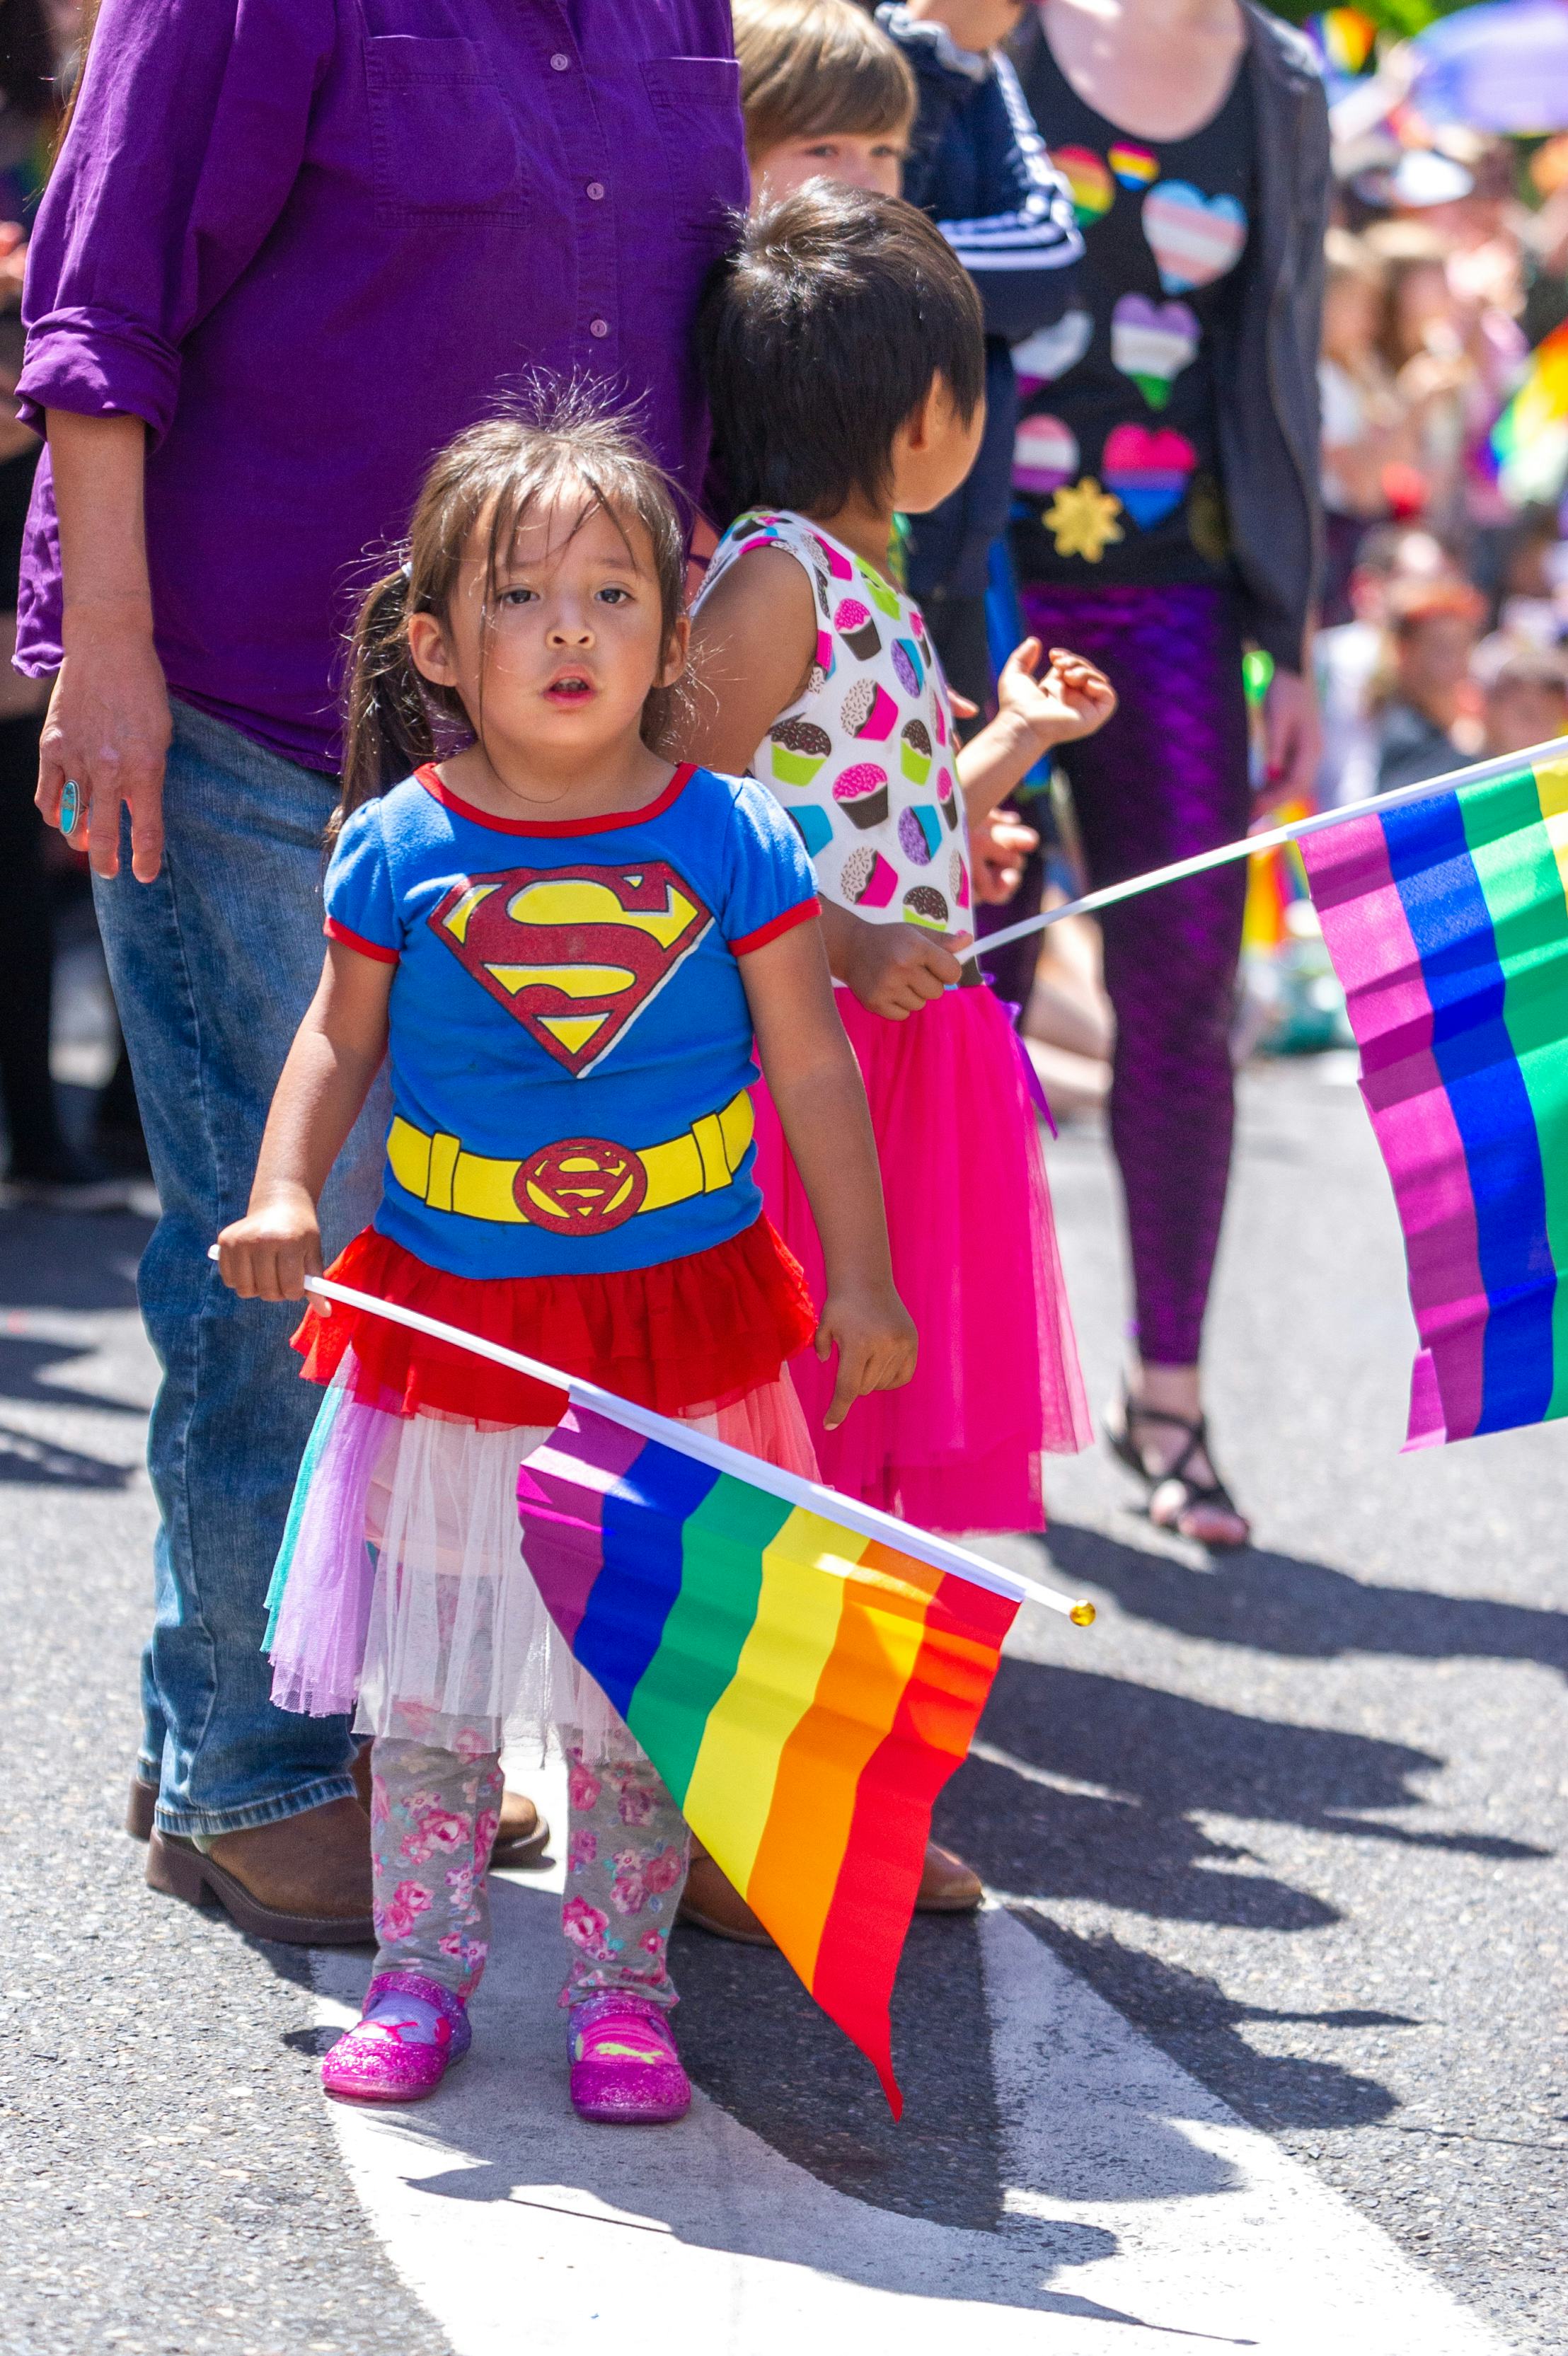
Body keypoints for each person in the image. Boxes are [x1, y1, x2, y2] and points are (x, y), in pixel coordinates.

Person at [15, 0, 747, 1944]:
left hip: (568, 771)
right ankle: (253, 1769)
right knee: (290, 1254)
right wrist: (106, 654)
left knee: (508, 1258)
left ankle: (292, 1736)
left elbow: (701, 352)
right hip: (255, 709)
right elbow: (97, 311)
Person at [217, 405, 916, 2119]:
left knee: (633, 1678)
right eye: (521, 596)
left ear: (675, 634)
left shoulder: (736, 836)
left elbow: (807, 1058)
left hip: (683, 1315)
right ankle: (421, 1966)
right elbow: (334, 1034)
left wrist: (868, 1275)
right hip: (455, 1315)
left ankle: (620, 1988)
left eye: (612, 592)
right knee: (439, 1676)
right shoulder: (397, 842)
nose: (571, 629)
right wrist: (286, 1185)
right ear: (440, 643)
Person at [691, 185, 1108, 1526]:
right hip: (799, 1044)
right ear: (927, 417)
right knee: (798, 1367)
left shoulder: (872, 579)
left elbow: (871, 807)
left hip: (905, 1049)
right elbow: (686, 822)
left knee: (884, 1366)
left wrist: (1009, 751)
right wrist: (851, 940)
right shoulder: (775, 582)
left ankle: (839, 1650)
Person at [1008, 0, 1330, 1548]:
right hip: (979, 580)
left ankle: (1170, 1404)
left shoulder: (1279, 77)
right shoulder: (992, 32)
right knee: (952, 998)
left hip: (1185, 599)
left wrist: (1300, 644)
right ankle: (957, 1417)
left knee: (1186, 996)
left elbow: (1281, 354)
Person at [1372, 577, 1485, 794]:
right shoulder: (1402, 737)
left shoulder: (1458, 727)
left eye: (1463, 646)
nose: (1457, 663)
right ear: (1404, 652)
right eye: (1442, 649)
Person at [1480, 645, 1568, 760]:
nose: (1539, 730)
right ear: (1493, 710)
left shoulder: (1559, 772)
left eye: (1549, 718)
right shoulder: (1456, 770)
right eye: (1527, 715)